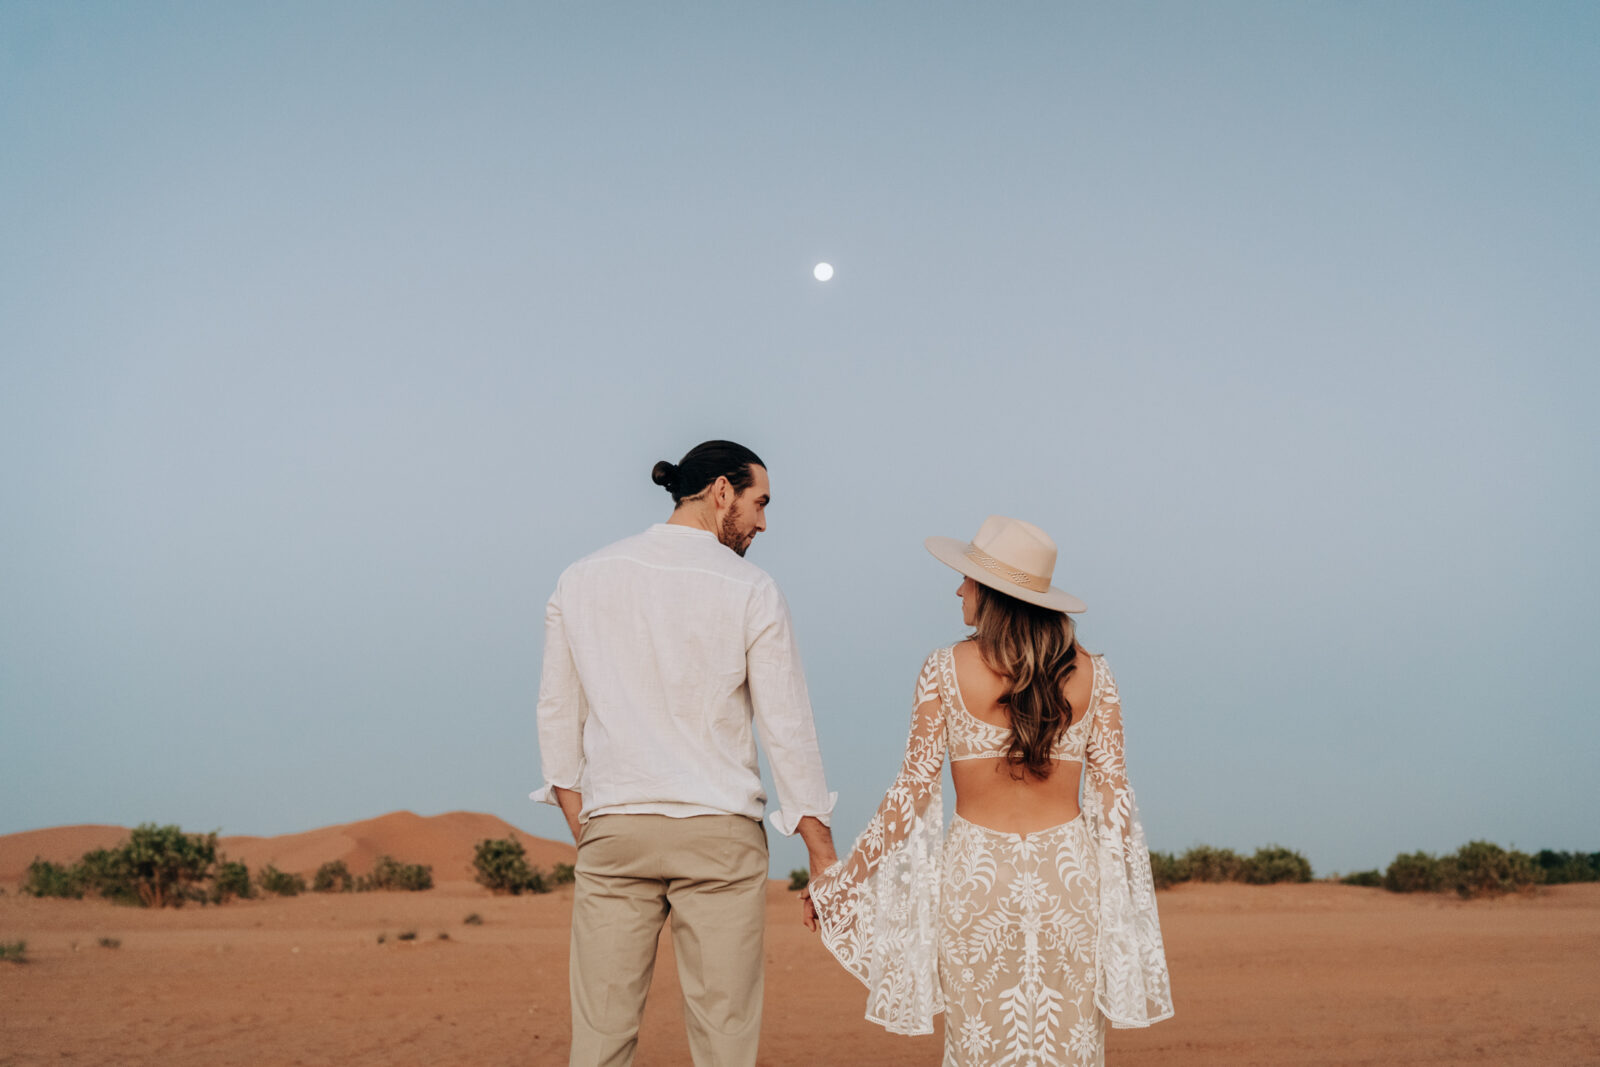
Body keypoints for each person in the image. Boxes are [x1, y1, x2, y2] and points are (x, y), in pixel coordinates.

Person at [804, 516, 1173, 1066]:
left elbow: (910, 795)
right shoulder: (1095, 675)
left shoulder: (944, 668)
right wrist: (1120, 907)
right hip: (1070, 886)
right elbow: (1117, 802)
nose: (958, 588)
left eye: (968, 579)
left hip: (977, 886)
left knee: (977, 1049)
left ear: (993, 593)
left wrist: (839, 883)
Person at [532, 439, 840, 1067]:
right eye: (759, 502)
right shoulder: (752, 588)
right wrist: (822, 855)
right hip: (718, 836)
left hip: (615, 829)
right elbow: (788, 727)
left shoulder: (583, 577)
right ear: (721, 491)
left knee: (598, 1039)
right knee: (724, 1039)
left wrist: (586, 824)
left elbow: (558, 715)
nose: (762, 522)